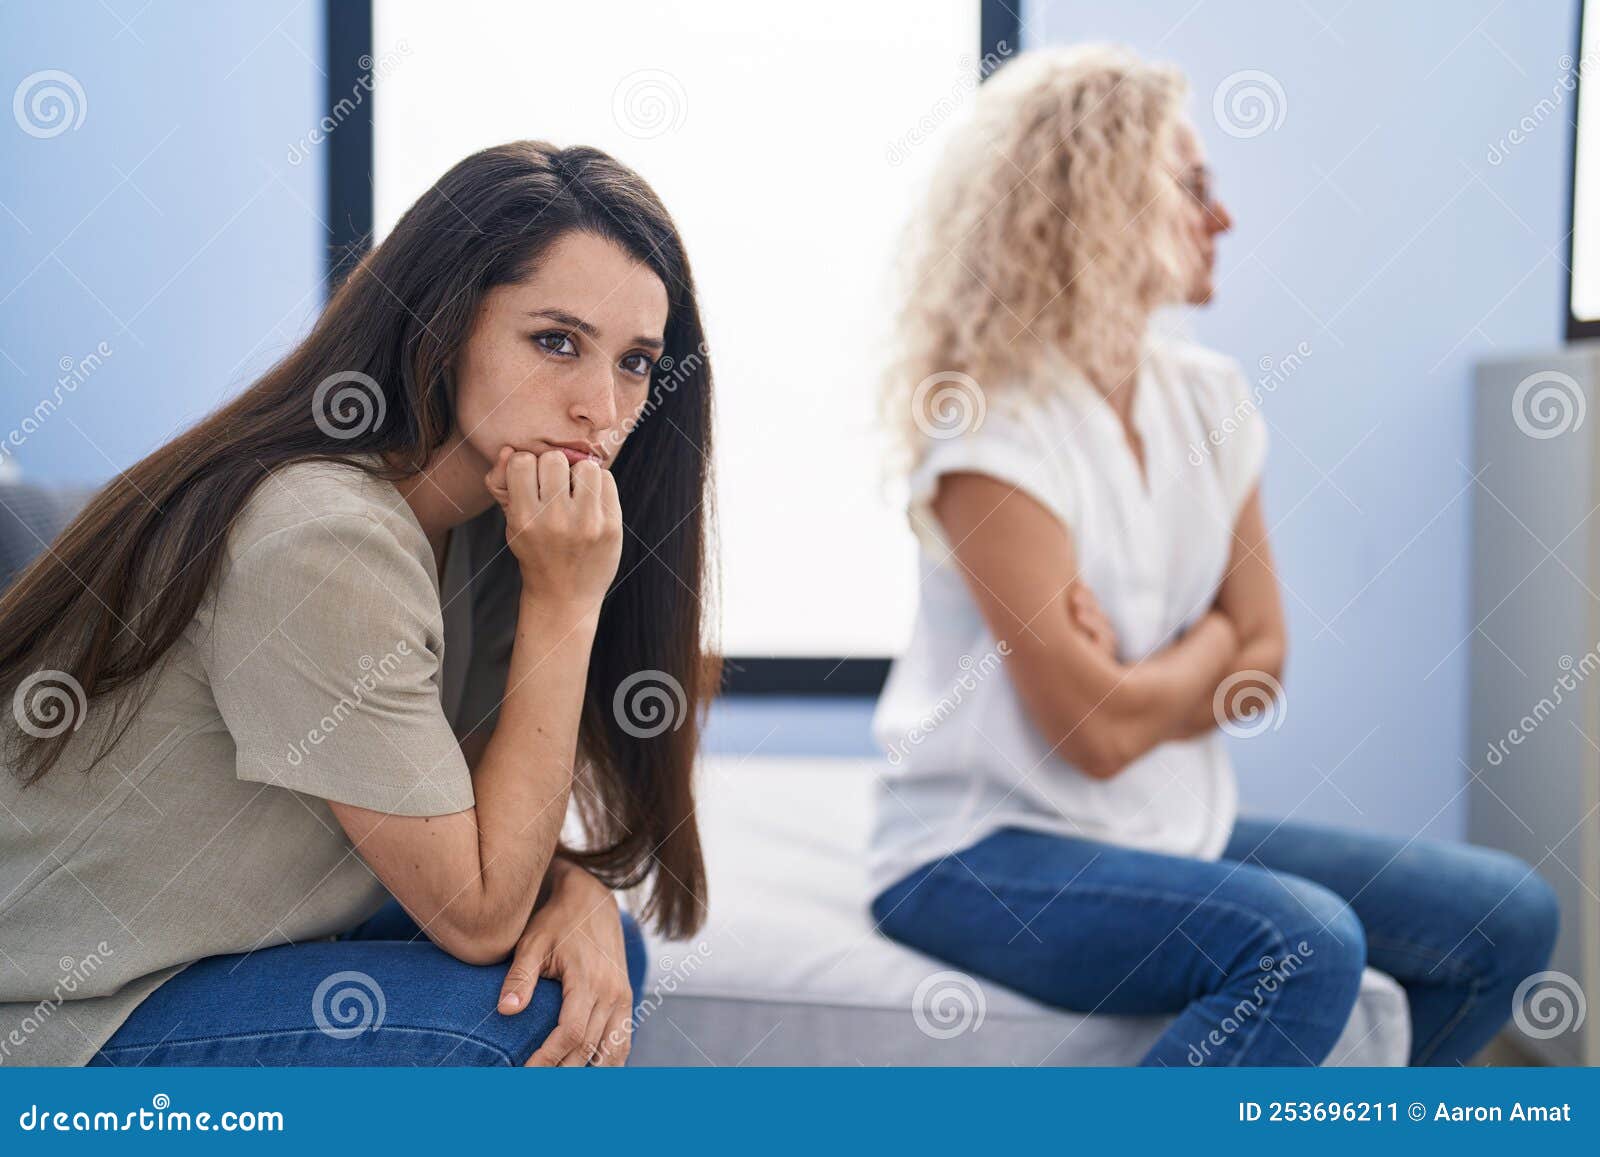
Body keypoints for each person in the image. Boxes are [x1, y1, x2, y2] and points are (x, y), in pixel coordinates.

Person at [869, 46, 1558, 1066]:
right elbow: (1094, 738)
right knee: (1300, 942)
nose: (1222, 217)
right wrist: (1204, 648)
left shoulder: (1209, 397)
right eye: (1192, 187)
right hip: (979, 852)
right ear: (1097, 203)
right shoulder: (991, 433)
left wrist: (1143, 675)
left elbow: (1265, 654)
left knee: (1500, 911)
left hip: (1159, 828)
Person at [0, 141, 715, 1067]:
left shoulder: (501, 528)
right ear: (445, 325)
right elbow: (479, 913)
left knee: (599, 954)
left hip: (225, 958)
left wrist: (575, 890)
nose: (600, 408)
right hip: (62, 1017)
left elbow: (475, 817)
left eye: (634, 363)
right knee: (527, 1012)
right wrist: (568, 605)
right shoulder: (321, 535)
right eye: (556, 341)